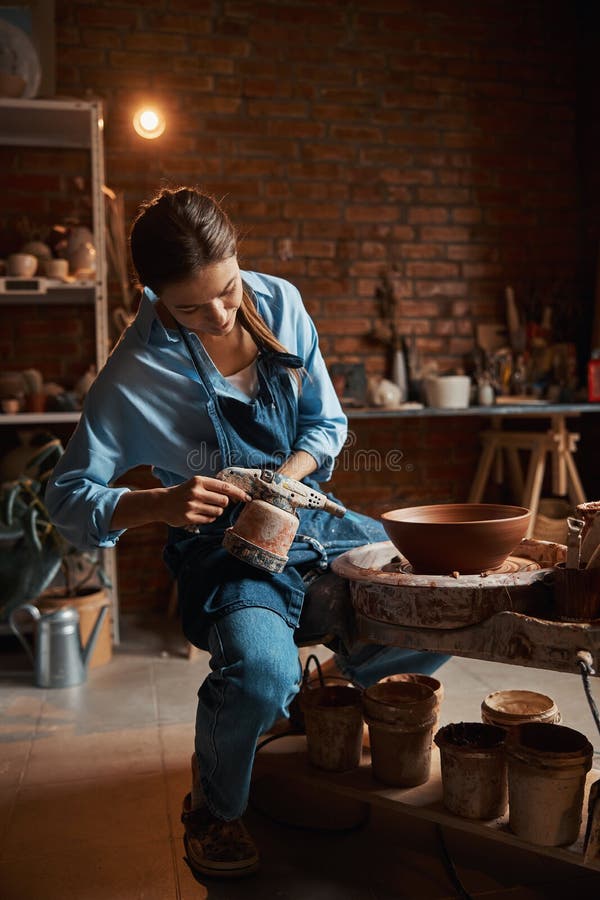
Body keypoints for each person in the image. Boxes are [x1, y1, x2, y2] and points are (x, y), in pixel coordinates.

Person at [46, 187, 448, 879]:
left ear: (237, 257)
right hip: (220, 544)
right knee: (261, 673)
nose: (221, 314)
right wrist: (160, 503)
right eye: (191, 308)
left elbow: (327, 424)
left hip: (308, 516)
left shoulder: (280, 303)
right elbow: (66, 497)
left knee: (440, 596)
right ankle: (214, 806)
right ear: (155, 294)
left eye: (228, 290)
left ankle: (318, 695)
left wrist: (284, 478)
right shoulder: (134, 373)